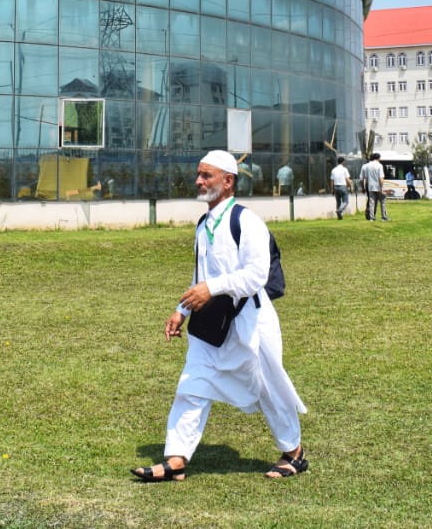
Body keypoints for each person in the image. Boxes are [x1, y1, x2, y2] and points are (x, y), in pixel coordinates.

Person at [131, 150, 308, 483]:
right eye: (199, 175)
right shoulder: (203, 224)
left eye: (206, 175)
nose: (198, 181)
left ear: (228, 182)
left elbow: (257, 275)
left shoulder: (246, 220)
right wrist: (181, 310)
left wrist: (211, 288)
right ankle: (176, 459)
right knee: (192, 383)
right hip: (210, 323)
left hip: (250, 322)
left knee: (269, 386)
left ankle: (294, 453)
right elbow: (201, 275)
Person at [360, 153, 388, 221]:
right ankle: (384, 217)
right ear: (378, 158)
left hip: (370, 186)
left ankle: (372, 217)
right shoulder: (379, 165)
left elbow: (364, 178)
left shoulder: (367, 166)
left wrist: (363, 187)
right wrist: (381, 188)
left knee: (371, 202)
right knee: (383, 202)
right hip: (378, 186)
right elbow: (381, 178)